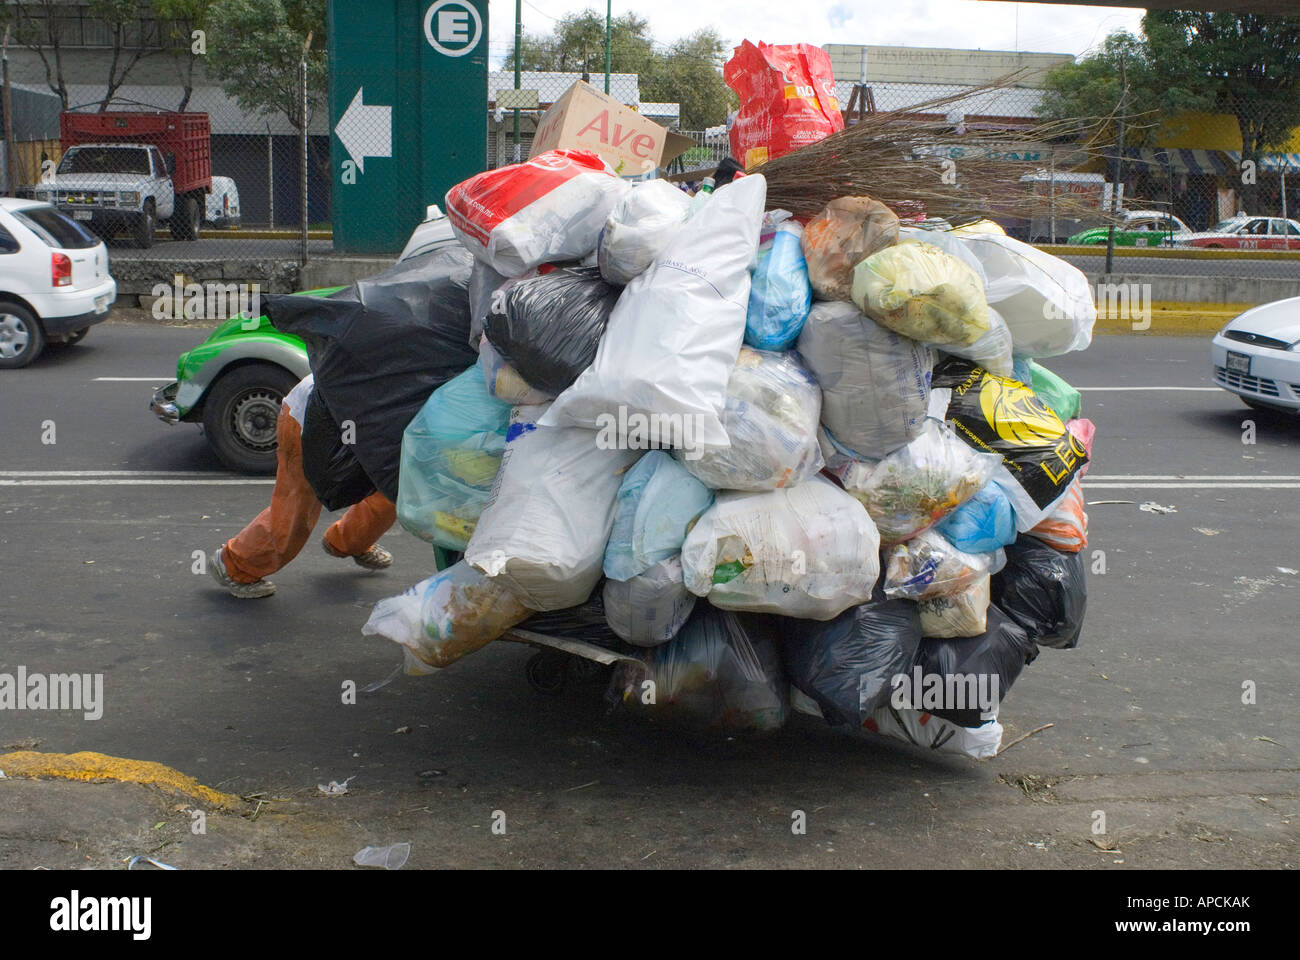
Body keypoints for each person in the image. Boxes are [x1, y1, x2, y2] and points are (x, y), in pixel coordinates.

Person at [208, 374, 395, 598]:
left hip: (362, 422)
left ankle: (348, 541)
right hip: (313, 418)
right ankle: (235, 565)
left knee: (392, 490)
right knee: (297, 508)